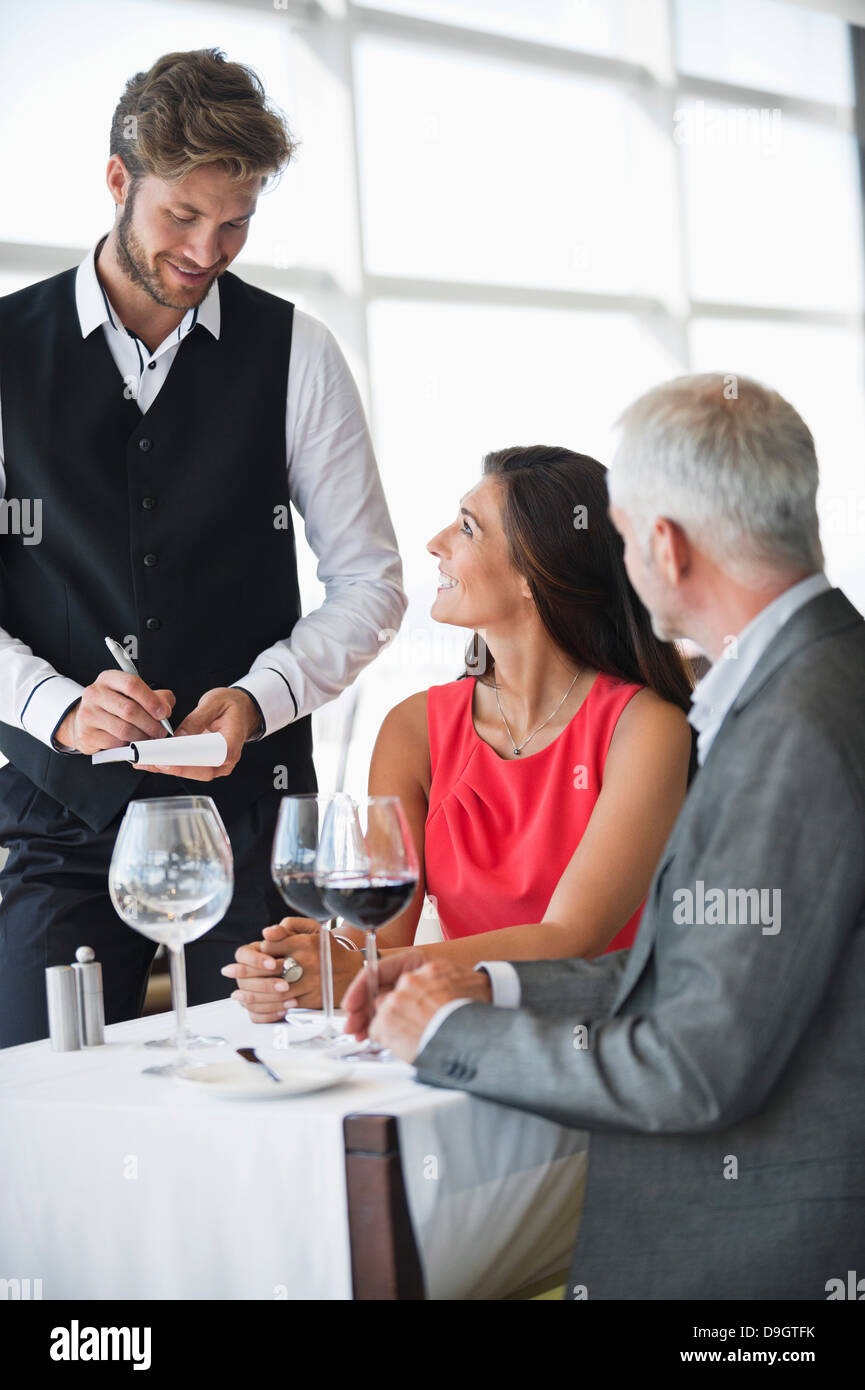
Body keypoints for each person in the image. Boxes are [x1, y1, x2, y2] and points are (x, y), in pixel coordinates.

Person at [343, 373, 865, 1300]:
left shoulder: (789, 726)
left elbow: (691, 1067)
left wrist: (452, 1031)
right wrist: (485, 980)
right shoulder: (818, 679)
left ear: (660, 545)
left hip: (758, 1262)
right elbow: (699, 974)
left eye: (618, 536)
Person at [0, 49, 406, 1047]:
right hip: (60, 824)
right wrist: (58, 711)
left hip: (256, 819)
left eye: (235, 224)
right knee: (39, 1097)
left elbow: (371, 582)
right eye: (182, 216)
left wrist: (258, 697)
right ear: (116, 181)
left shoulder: (297, 353)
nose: (206, 250)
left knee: (273, 1079)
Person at [224, 446, 695, 1020]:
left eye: (467, 529)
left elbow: (572, 938)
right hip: (456, 1035)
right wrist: (310, 962)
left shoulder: (645, 728)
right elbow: (378, 938)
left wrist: (369, 969)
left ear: (535, 573)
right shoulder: (414, 729)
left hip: (607, 1043)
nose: (435, 544)